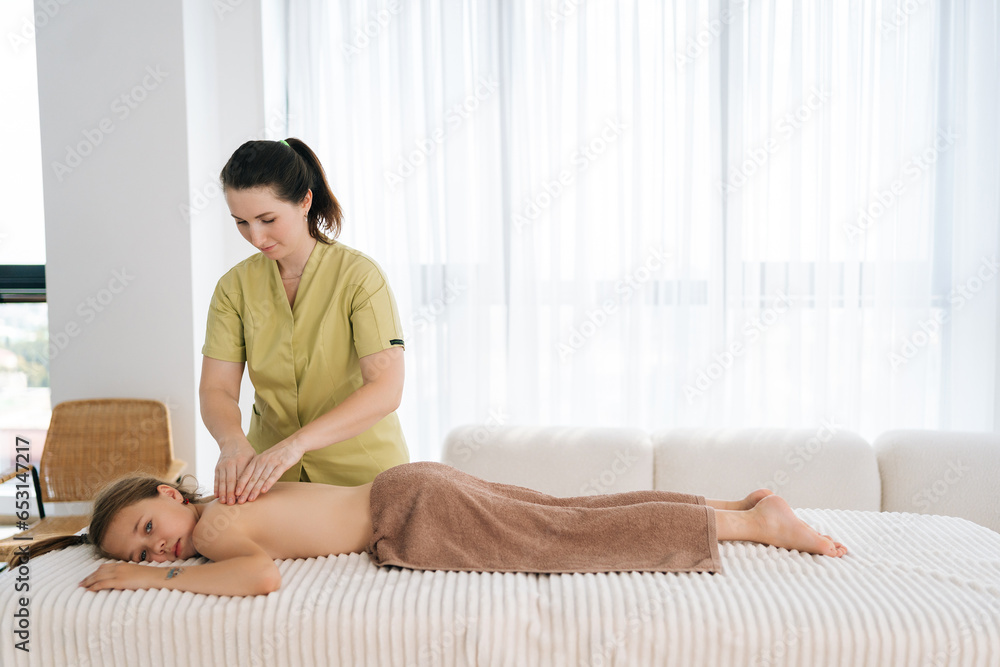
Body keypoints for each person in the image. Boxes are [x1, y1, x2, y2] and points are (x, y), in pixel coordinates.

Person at [8, 463, 848, 597]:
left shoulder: (221, 521)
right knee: (565, 516)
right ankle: (737, 510)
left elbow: (259, 577)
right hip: (409, 490)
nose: (159, 549)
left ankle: (749, 524)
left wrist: (150, 581)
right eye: (141, 550)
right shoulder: (228, 499)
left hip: (412, 509)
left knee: (560, 540)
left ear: (169, 491)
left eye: (150, 526)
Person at [200, 138, 408, 506]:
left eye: (267, 220)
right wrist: (232, 442)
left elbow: (386, 389)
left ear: (305, 202)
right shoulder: (234, 288)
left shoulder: (359, 277)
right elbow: (217, 389)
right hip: (271, 479)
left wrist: (296, 445)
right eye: (242, 223)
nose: (256, 237)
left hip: (361, 478)